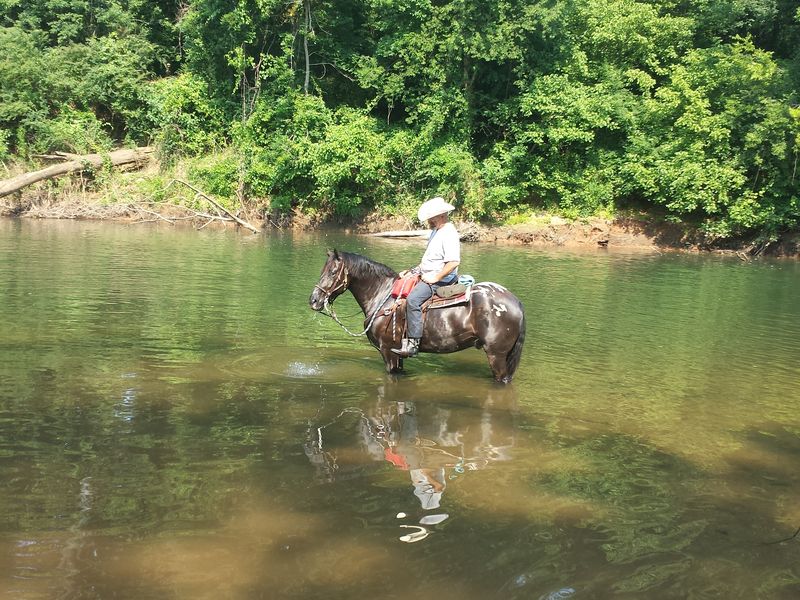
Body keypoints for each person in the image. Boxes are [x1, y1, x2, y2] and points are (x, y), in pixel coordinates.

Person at [392, 196, 460, 358]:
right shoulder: (436, 231)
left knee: (413, 300)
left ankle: (413, 344)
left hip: (441, 279)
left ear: (441, 215)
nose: (429, 221)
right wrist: (412, 271)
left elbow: (453, 262)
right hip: (429, 274)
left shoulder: (449, 233)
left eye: (431, 218)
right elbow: (429, 261)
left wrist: (435, 278)